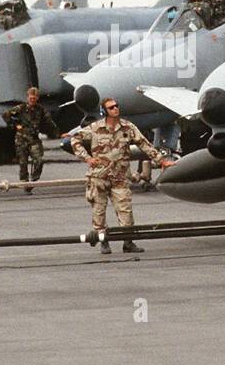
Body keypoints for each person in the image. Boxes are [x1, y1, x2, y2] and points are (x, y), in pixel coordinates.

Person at [70, 98, 175, 254]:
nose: (115, 109)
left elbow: (144, 144)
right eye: (111, 107)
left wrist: (161, 161)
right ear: (104, 111)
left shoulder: (127, 127)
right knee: (99, 212)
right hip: (99, 178)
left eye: (117, 106)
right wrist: (87, 158)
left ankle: (128, 242)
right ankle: (103, 241)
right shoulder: (95, 128)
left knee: (125, 210)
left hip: (120, 178)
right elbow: (74, 139)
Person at [1, 87, 62, 193]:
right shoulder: (21, 108)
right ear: (27, 97)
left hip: (34, 139)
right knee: (23, 163)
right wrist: (15, 125)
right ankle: (25, 183)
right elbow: (6, 115)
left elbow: (49, 122)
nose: (32, 100)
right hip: (21, 139)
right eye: (30, 98)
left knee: (39, 160)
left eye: (34, 98)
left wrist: (59, 133)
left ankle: (33, 180)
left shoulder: (40, 110)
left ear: (37, 98)